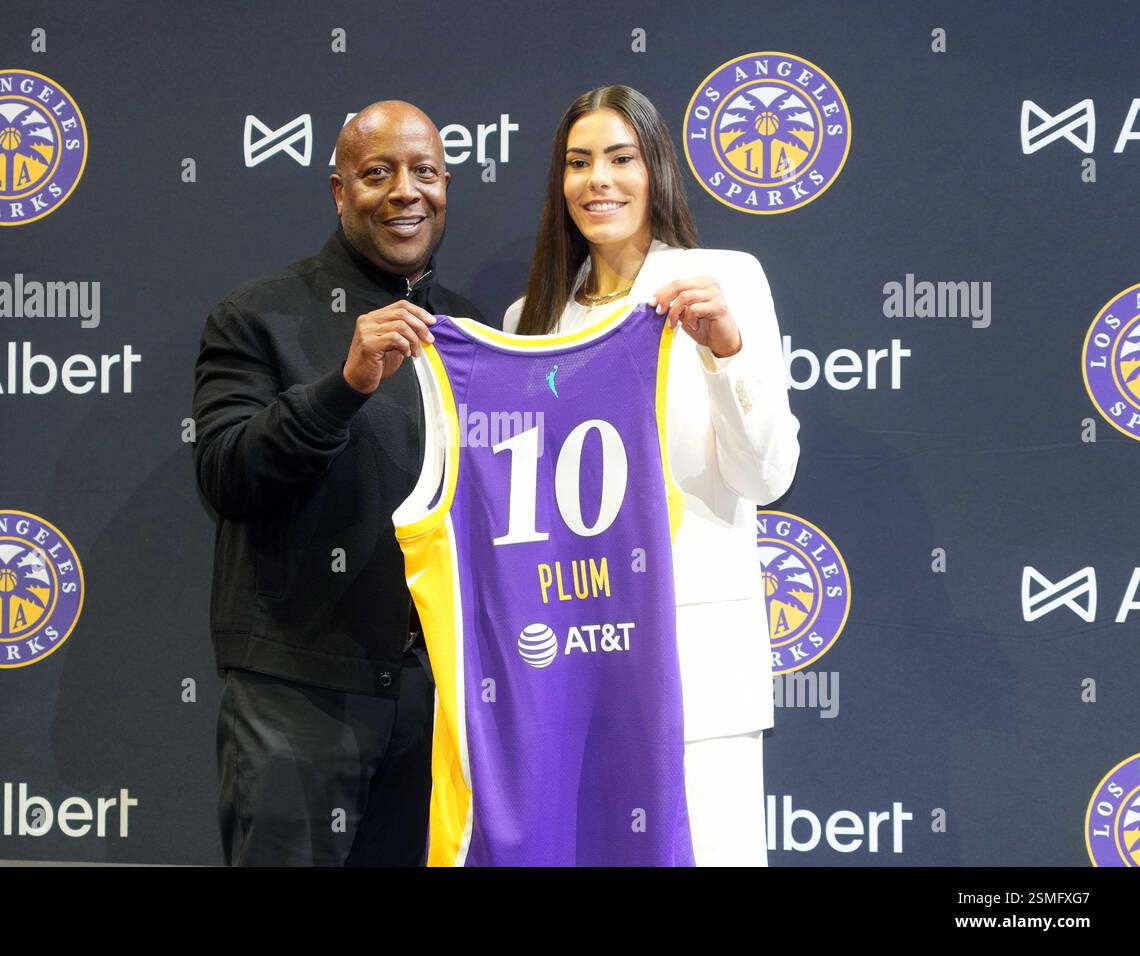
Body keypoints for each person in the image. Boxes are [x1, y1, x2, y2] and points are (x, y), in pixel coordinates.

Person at [503, 85, 801, 866]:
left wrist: (725, 349)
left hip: (692, 662)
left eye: (619, 158)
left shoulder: (722, 278)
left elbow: (767, 476)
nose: (597, 180)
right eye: (577, 163)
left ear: (656, 169)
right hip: (572, 660)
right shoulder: (526, 323)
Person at [191, 100, 484, 866]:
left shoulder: (475, 332)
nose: (405, 192)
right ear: (338, 190)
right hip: (296, 697)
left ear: (447, 184)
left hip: (436, 705)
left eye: (424, 171)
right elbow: (227, 478)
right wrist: (344, 386)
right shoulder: (259, 315)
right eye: (377, 173)